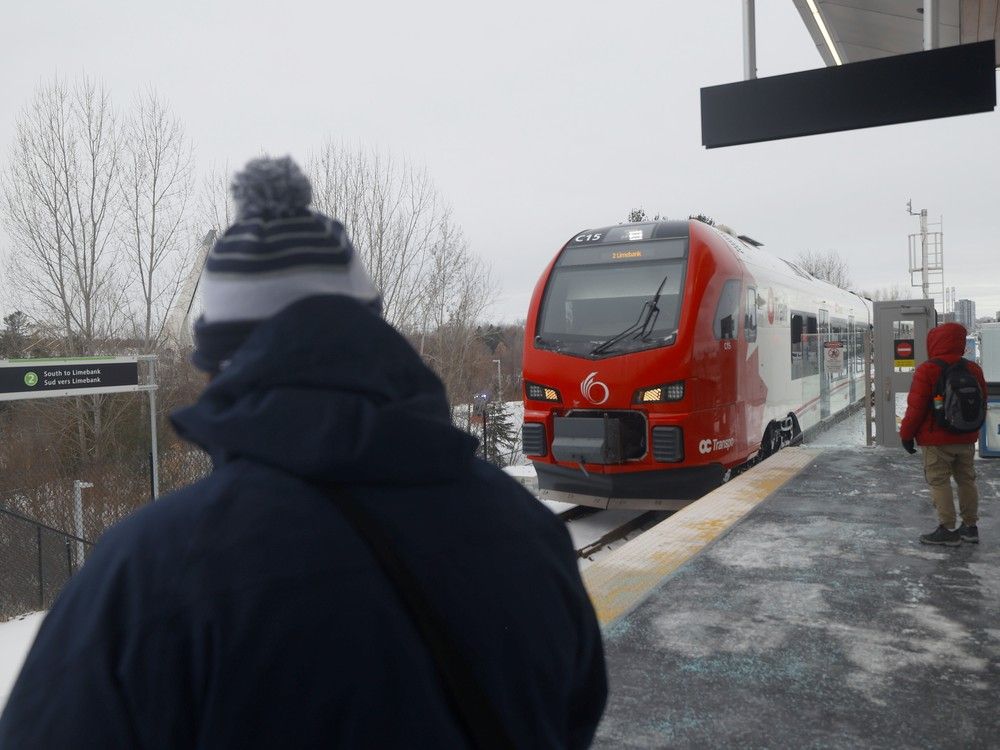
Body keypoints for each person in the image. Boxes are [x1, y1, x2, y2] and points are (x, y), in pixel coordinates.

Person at [0, 157, 607, 748]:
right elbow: (574, 716)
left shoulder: (149, 575)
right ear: (372, 336)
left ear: (220, 362)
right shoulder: (526, 531)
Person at [899, 321, 987, 546]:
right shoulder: (973, 369)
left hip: (936, 439)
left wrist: (906, 435)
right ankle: (970, 527)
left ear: (934, 342)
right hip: (966, 437)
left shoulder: (928, 369)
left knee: (939, 481)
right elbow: (982, 402)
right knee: (966, 480)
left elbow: (916, 408)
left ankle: (947, 529)